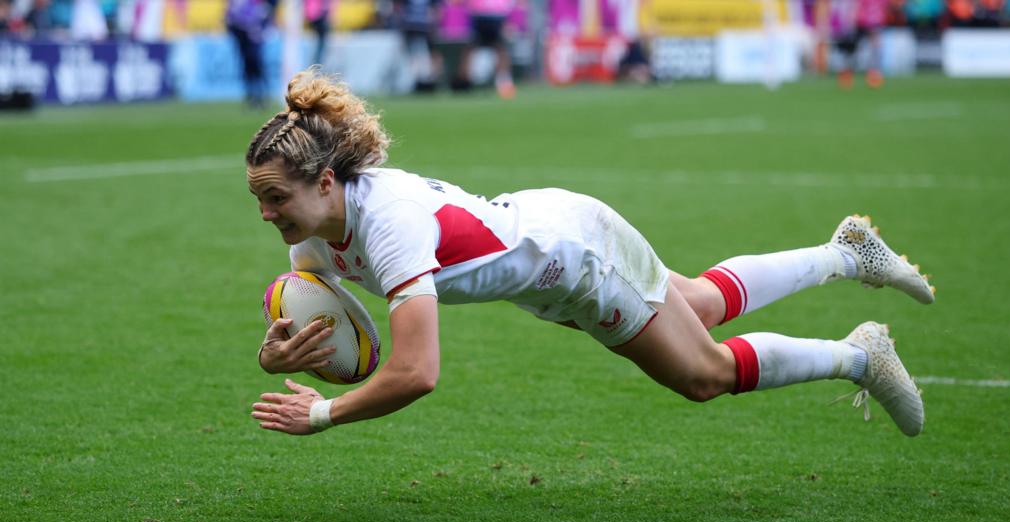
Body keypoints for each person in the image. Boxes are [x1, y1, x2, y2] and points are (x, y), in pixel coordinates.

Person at [248, 69, 936, 437]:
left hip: (576, 259)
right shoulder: (311, 231)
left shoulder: (388, 222)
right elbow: (324, 315)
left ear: (327, 181)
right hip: (553, 238)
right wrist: (278, 351)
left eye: (276, 197)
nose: (266, 213)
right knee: (698, 301)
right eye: (260, 199)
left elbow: (417, 370)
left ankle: (860, 355)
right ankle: (846, 253)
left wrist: (321, 414)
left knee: (703, 373)